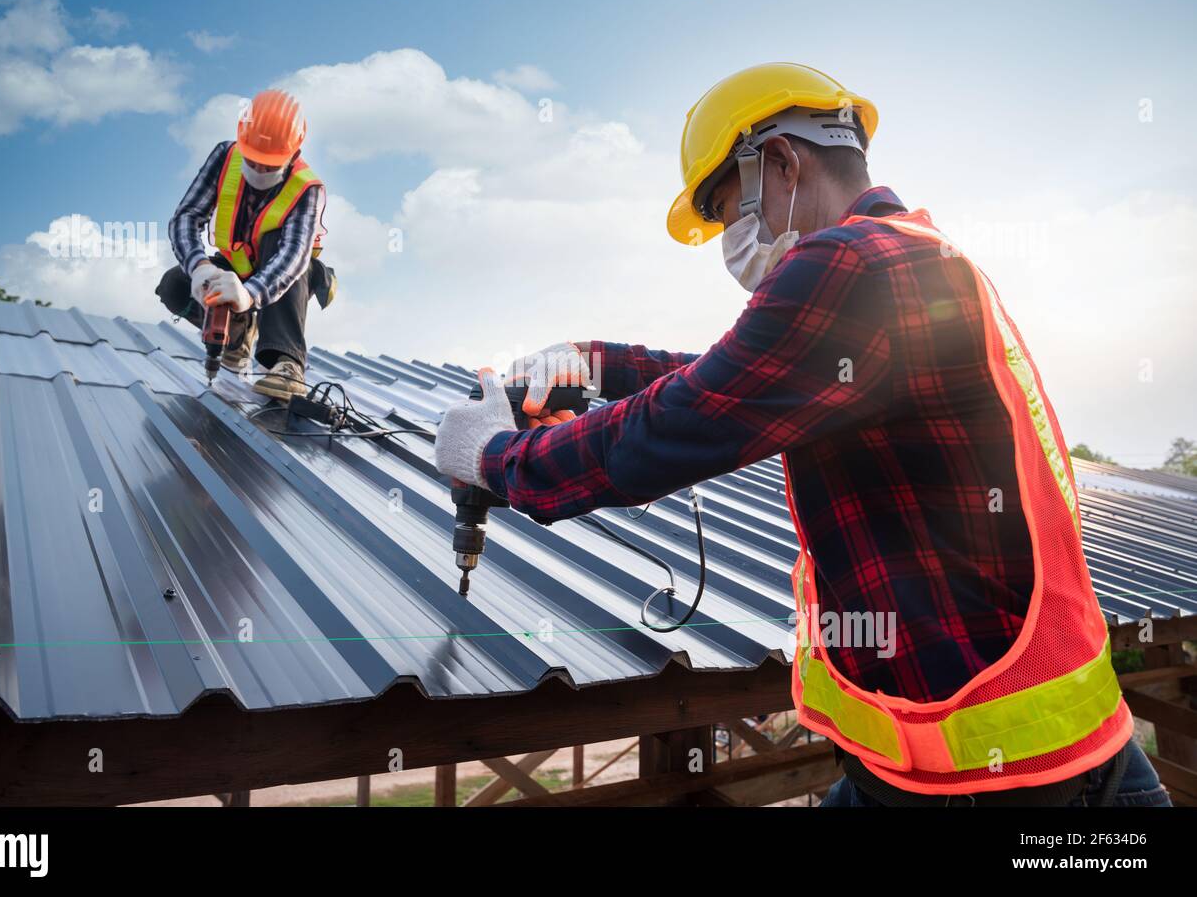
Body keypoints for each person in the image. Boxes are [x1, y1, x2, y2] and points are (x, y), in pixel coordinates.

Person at [434, 63, 1170, 807]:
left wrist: (494, 458)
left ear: (782, 162)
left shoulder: (849, 263)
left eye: (726, 214)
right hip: (973, 770)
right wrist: (589, 364)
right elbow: (742, 375)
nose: (730, 244)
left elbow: (683, 421)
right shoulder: (909, 256)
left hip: (1007, 790)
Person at [158, 88, 335, 401]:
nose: (259, 170)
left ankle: (286, 362)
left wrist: (249, 294)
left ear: (293, 152)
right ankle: (236, 333)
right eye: (253, 161)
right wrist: (199, 267)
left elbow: (292, 256)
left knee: (277, 244)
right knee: (174, 285)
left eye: (270, 165)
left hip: (289, 274)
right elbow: (186, 217)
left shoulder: (307, 187)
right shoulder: (224, 157)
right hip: (237, 267)